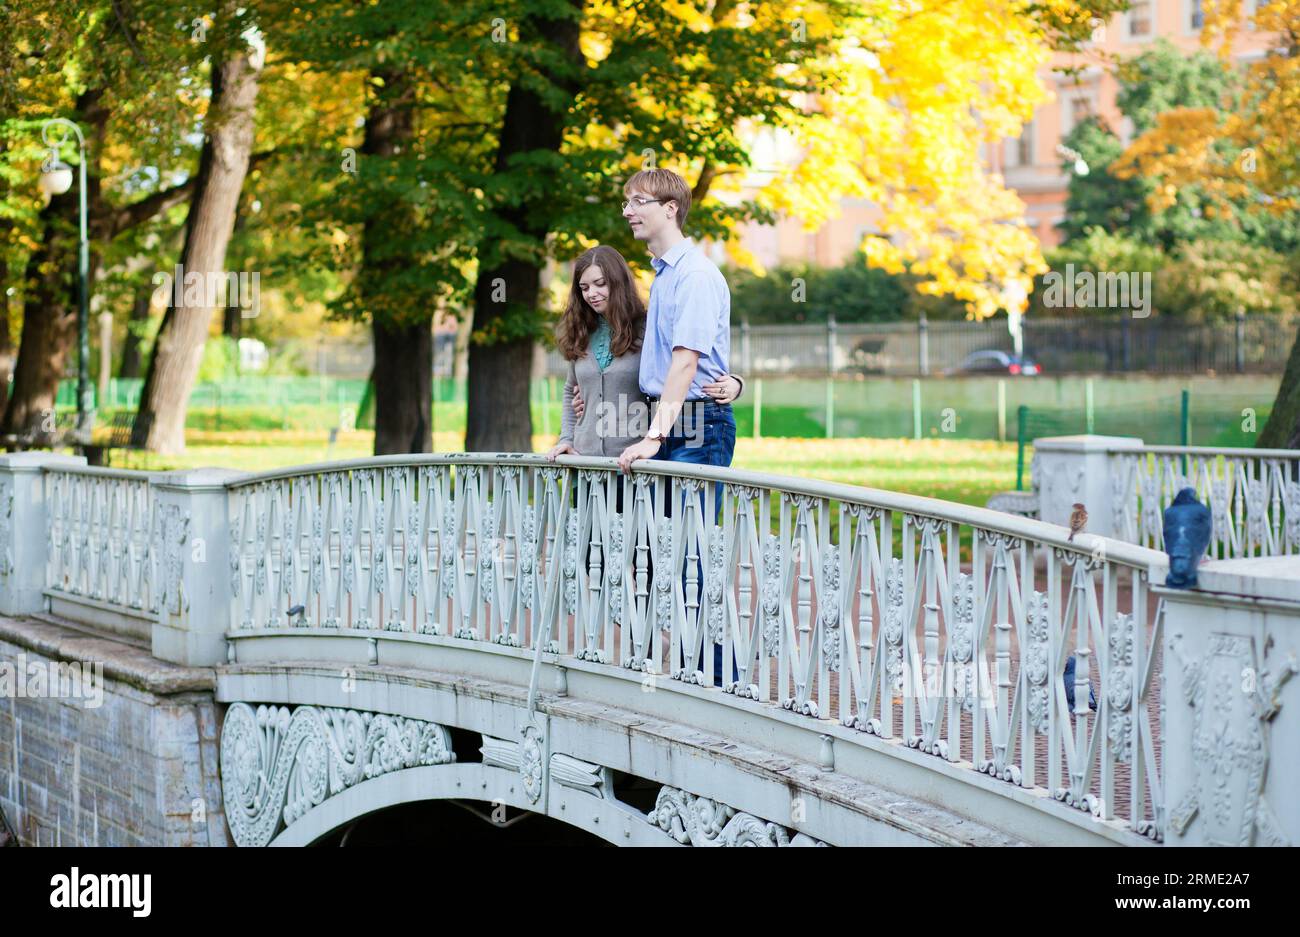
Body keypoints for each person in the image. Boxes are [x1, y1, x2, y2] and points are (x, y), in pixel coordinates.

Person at [613, 167, 738, 682]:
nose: (627, 211)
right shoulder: (665, 275)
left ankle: (716, 677)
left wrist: (653, 437)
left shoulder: (695, 275)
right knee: (644, 543)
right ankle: (676, 661)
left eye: (637, 201)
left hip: (696, 426)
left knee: (693, 552)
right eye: (626, 203)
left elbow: (687, 363)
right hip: (671, 421)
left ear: (670, 209)